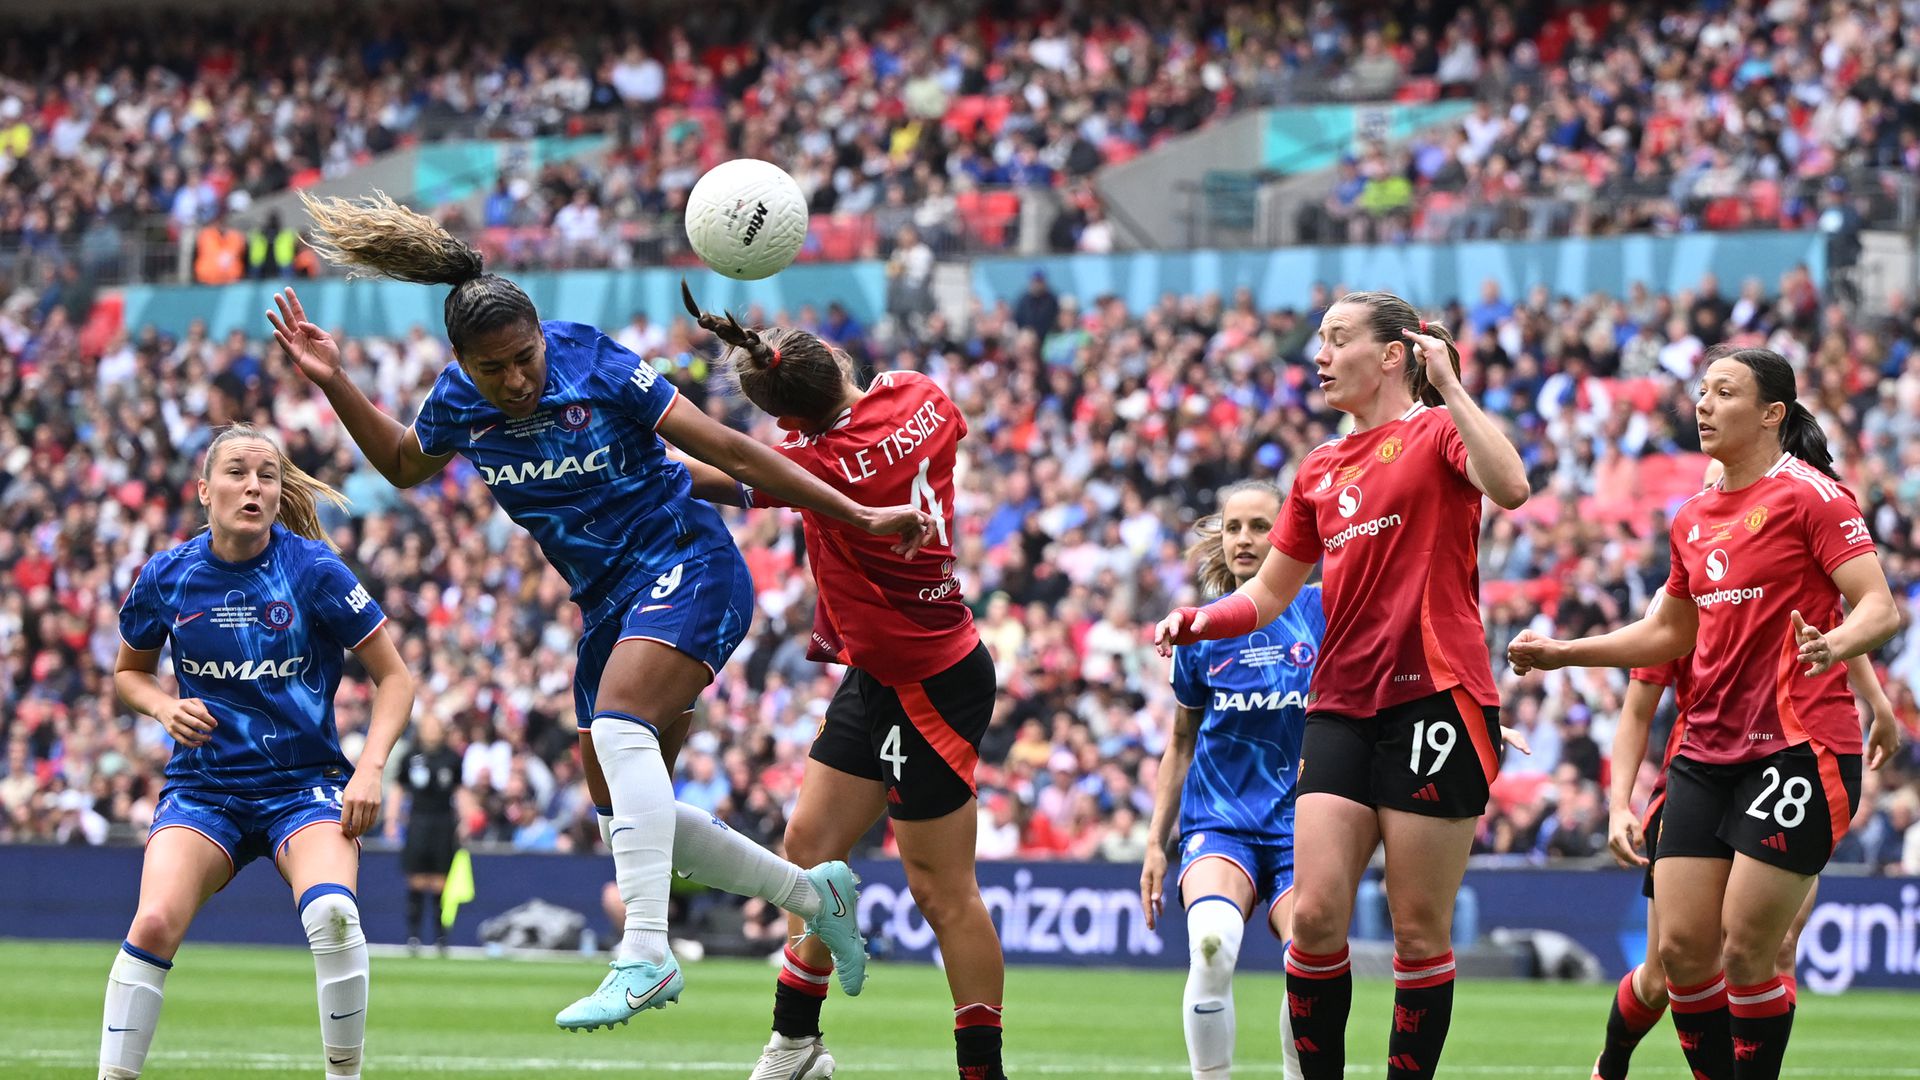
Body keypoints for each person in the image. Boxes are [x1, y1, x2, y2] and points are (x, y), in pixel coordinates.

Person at [269, 192, 932, 1032]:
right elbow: (405, 462)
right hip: (608, 605)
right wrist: (336, 384)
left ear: (543, 333)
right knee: (626, 810)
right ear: (462, 364)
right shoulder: (457, 403)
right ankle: (812, 895)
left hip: (687, 564)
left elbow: (720, 447)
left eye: (524, 356)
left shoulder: (598, 362)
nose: (516, 379)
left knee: (623, 726)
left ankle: (646, 953)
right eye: (493, 368)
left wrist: (856, 512)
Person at [1154, 292, 1530, 1080]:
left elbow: (1513, 487)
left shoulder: (1436, 431)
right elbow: (1265, 598)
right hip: (1341, 706)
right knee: (1317, 919)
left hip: (1432, 700)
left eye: (1335, 339)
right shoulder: (1318, 469)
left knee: (1418, 930)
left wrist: (1452, 389)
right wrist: (1196, 619)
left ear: (1392, 354)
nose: (1317, 356)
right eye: (1318, 341)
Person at [1511, 347, 1900, 1080]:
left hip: (1797, 748)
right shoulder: (1691, 517)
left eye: (1725, 392)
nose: (1704, 404)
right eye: (1702, 391)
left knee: (1752, 950)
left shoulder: (1812, 497)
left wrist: (1838, 646)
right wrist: (1566, 652)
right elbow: (1669, 634)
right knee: (1684, 956)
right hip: (1703, 754)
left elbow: (1878, 606)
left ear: (1772, 414)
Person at [674, 286, 1006, 1080]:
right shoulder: (922, 394)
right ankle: (796, 1044)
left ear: (785, 423)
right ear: (840, 361)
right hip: (886, 671)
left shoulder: (811, 465)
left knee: (941, 890)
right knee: (809, 849)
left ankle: (982, 1072)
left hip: (929, 682)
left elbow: (710, 475)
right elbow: (896, 429)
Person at [100, 424, 414, 1080]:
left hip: (304, 789)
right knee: (154, 921)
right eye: (239, 473)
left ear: (278, 492)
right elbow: (127, 675)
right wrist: (162, 705)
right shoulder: (169, 575)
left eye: (267, 475)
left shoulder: (313, 569)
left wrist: (372, 768)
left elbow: (396, 677)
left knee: (333, 916)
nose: (254, 486)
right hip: (204, 788)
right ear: (205, 491)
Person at [1593, 625, 1901, 1080]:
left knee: (1776, 946)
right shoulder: (1683, 596)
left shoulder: (1787, 577)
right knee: (1666, 972)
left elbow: (1834, 627)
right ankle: (1612, 1064)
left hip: (1783, 767)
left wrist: (1878, 702)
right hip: (1698, 783)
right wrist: (1619, 804)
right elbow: (1638, 709)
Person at [1141, 479, 1322, 1080]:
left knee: (1311, 961)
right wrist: (1153, 845)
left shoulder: (1322, 612)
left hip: (1307, 827)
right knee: (1213, 943)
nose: (1245, 539)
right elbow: (1180, 741)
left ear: (1289, 532)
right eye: (1234, 526)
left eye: (1261, 525)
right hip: (1220, 824)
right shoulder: (1200, 629)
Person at [394, 714, 462, 955]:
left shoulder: (451, 758)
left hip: (443, 822)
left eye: (435, 726)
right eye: (427, 726)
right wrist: (392, 819)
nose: (431, 731)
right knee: (416, 878)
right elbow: (398, 788)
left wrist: (463, 820)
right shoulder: (410, 758)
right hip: (418, 820)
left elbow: (459, 791)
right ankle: (413, 936)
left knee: (440, 880)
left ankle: (441, 936)